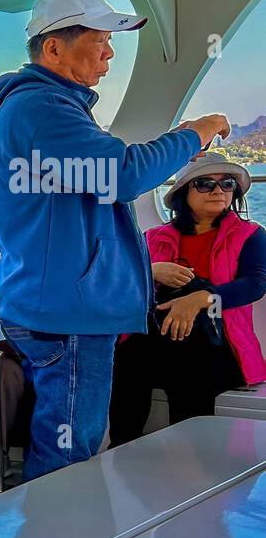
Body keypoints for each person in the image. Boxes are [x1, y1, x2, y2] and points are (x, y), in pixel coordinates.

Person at [0, 0, 228, 481]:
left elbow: (103, 172)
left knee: (77, 436)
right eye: (99, 41)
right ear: (54, 48)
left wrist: (175, 153)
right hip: (67, 310)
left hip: (64, 302)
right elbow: (122, 174)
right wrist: (194, 132)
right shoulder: (41, 108)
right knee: (69, 449)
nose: (110, 53)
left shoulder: (50, 107)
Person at [109, 152, 266, 444]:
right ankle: (122, 449)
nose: (219, 190)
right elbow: (119, 281)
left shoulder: (251, 234)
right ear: (184, 192)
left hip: (219, 343)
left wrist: (200, 299)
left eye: (227, 183)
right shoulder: (152, 238)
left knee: (191, 358)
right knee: (127, 356)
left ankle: (192, 458)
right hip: (155, 340)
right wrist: (152, 271)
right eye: (205, 183)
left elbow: (254, 284)